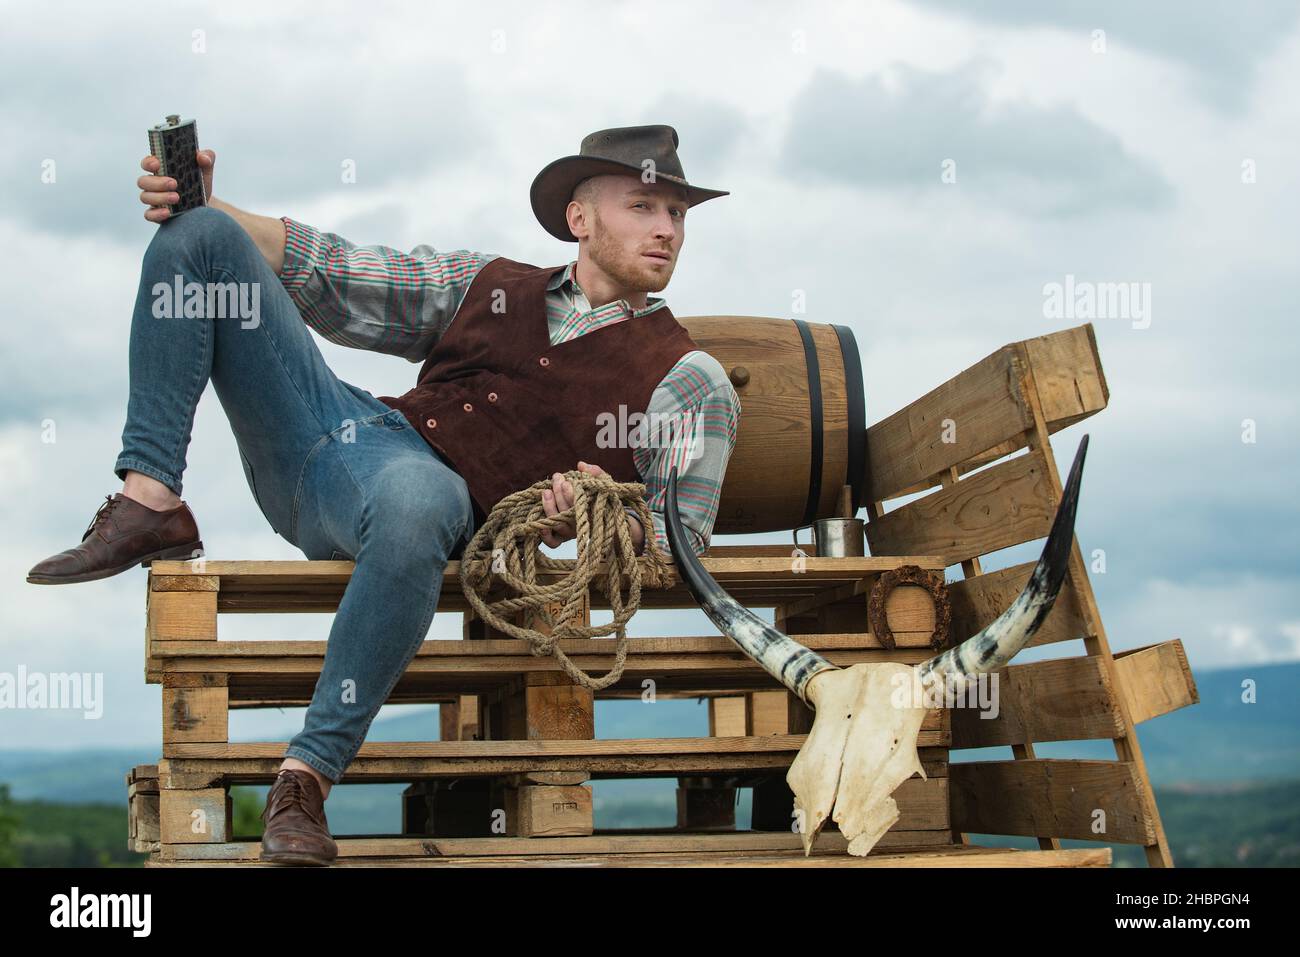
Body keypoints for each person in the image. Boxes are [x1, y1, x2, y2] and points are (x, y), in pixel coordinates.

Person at [26, 124, 741, 865]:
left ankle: (303, 780)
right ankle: (150, 499)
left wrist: (590, 523)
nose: (666, 230)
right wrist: (213, 202)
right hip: (334, 432)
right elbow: (338, 272)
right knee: (197, 236)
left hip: (432, 505)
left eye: (678, 215)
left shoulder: (688, 379)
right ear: (580, 219)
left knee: (419, 498)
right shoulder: (488, 284)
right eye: (645, 207)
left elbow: (669, 548)